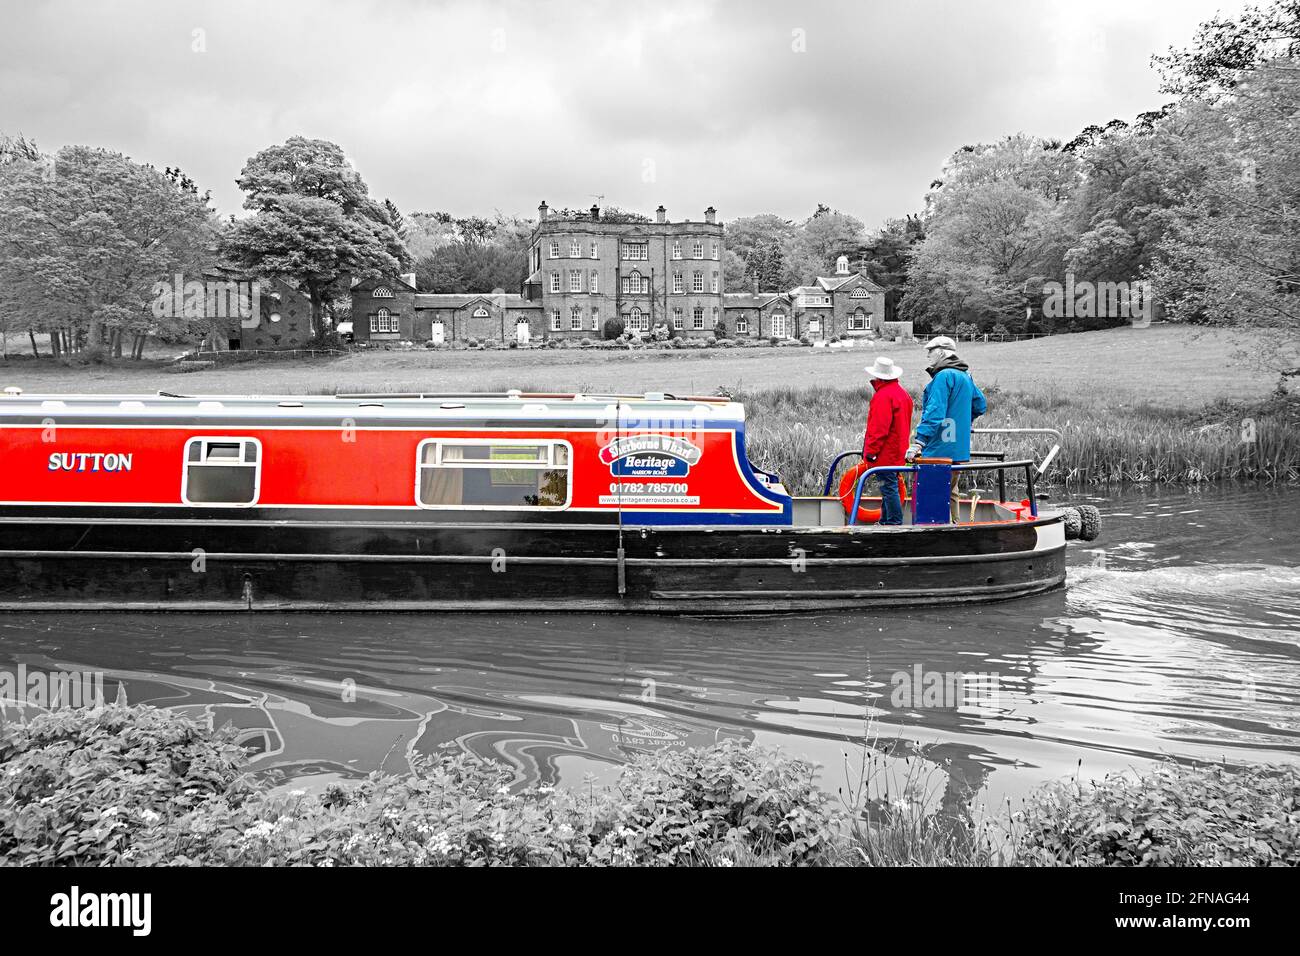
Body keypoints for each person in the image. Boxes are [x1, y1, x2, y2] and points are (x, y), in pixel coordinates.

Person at [906, 335, 987, 522]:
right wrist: (961, 422)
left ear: (941, 352)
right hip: (957, 449)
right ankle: (956, 526)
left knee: (932, 494)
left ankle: (933, 531)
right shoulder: (965, 376)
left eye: (930, 351)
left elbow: (934, 413)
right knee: (951, 491)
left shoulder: (943, 377)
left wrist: (918, 443)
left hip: (938, 448)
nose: (928, 355)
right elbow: (980, 406)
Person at [861, 356, 914, 526]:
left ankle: (893, 523)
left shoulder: (883, 396)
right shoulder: (903, 394)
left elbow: (878, 429)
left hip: (885, 453)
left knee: (888, 488)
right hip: (899, 451)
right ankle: (886, 521)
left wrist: (870, 453)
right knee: (888, 487)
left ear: (878, 376)